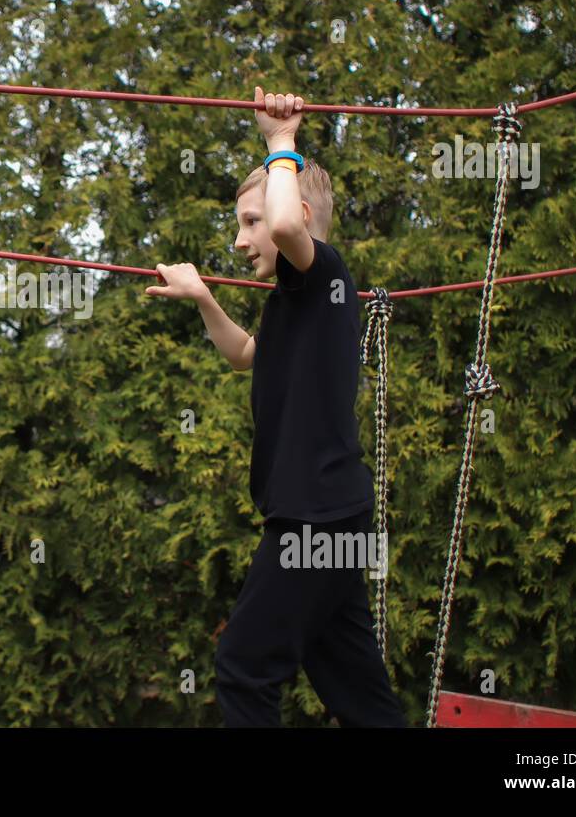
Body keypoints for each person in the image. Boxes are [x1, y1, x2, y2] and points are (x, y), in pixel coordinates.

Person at [145, 86, 406, 727]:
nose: (240, 240)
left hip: (314, 522)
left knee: (242, 666)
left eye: (249, 222)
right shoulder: (297, 303)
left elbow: (289, 227)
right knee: (354, 688)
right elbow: (246, 356)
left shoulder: (326, 278)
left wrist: (280, 142)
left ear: (299, 210)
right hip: (334, 521)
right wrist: (205, 298)